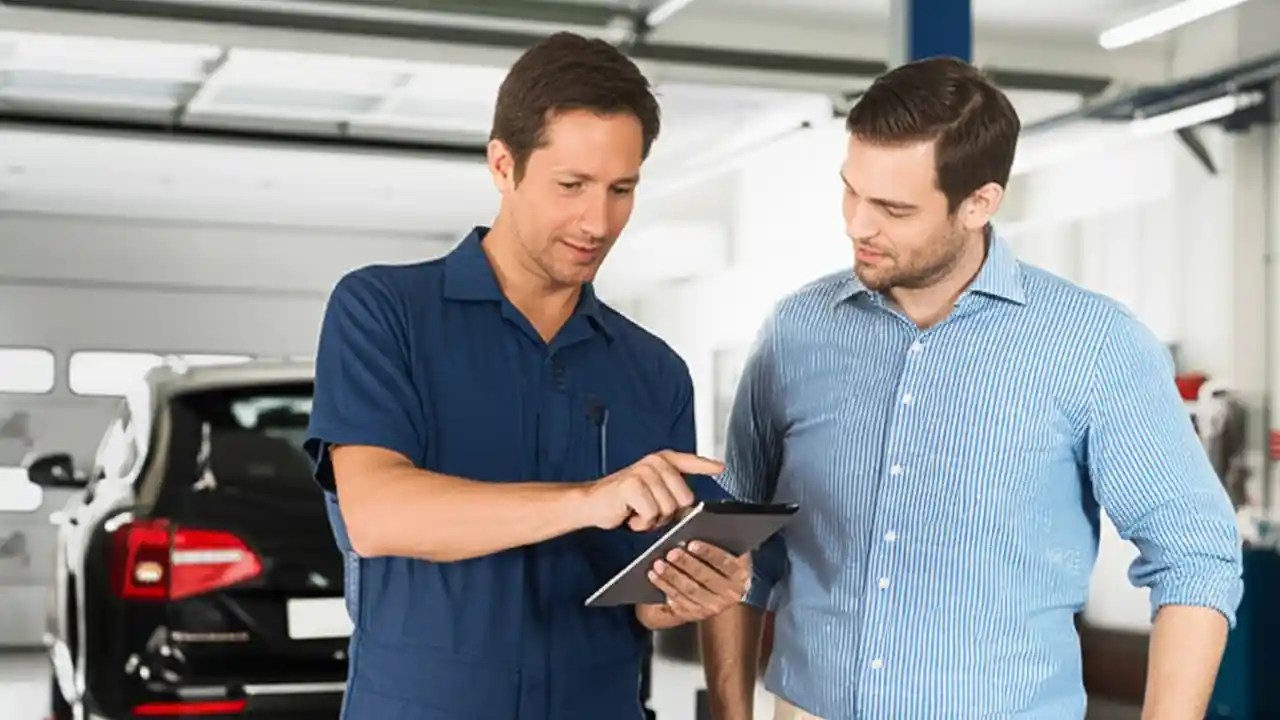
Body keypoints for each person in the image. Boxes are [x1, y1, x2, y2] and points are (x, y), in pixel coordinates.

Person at [699, 56, 1244, 720]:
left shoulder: (1094, 344)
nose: (857, 225)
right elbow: (729, 544)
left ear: (979, 203)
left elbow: (1194, 554)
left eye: (893, 208)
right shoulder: (796, 331)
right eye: (851, 191)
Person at [305, 32, 750, 720]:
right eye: (571, 186)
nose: (597, 221)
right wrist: (584, 500)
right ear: (503, 165)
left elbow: (641, 594)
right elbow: (376, 514)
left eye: (621, 189)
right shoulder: (384, 312)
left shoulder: (653, 371)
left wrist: (684, 595)